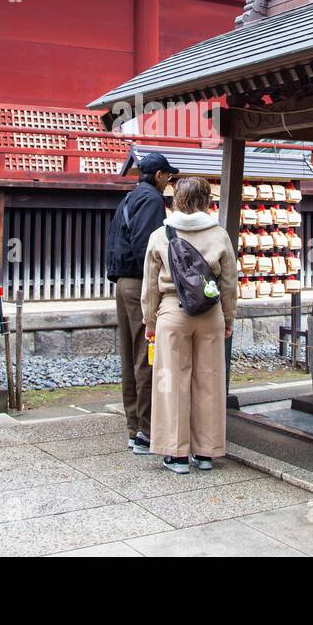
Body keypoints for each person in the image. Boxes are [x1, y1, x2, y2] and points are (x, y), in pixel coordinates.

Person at [142, 175, 237, 474]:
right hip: (210, 314)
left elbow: (150, 287)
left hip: (172, 313)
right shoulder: (219, 234)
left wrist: (150, 321)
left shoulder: (161, 234)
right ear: (207, 199)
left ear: (176, 199)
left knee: (171, 381)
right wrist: (228, 317)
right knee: (209, 382)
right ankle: (206, 453)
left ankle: (177, 454)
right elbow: (229, 283)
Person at [105, 152, 176, 455]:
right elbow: (149, 249)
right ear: (159, 175)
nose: (170, 182)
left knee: (130, 356)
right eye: (168, 176)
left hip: (123, 283)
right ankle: (146, 430)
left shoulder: (130, 198)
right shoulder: (151, 200)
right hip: (139, 283)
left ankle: (134, 427)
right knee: (146, 355)